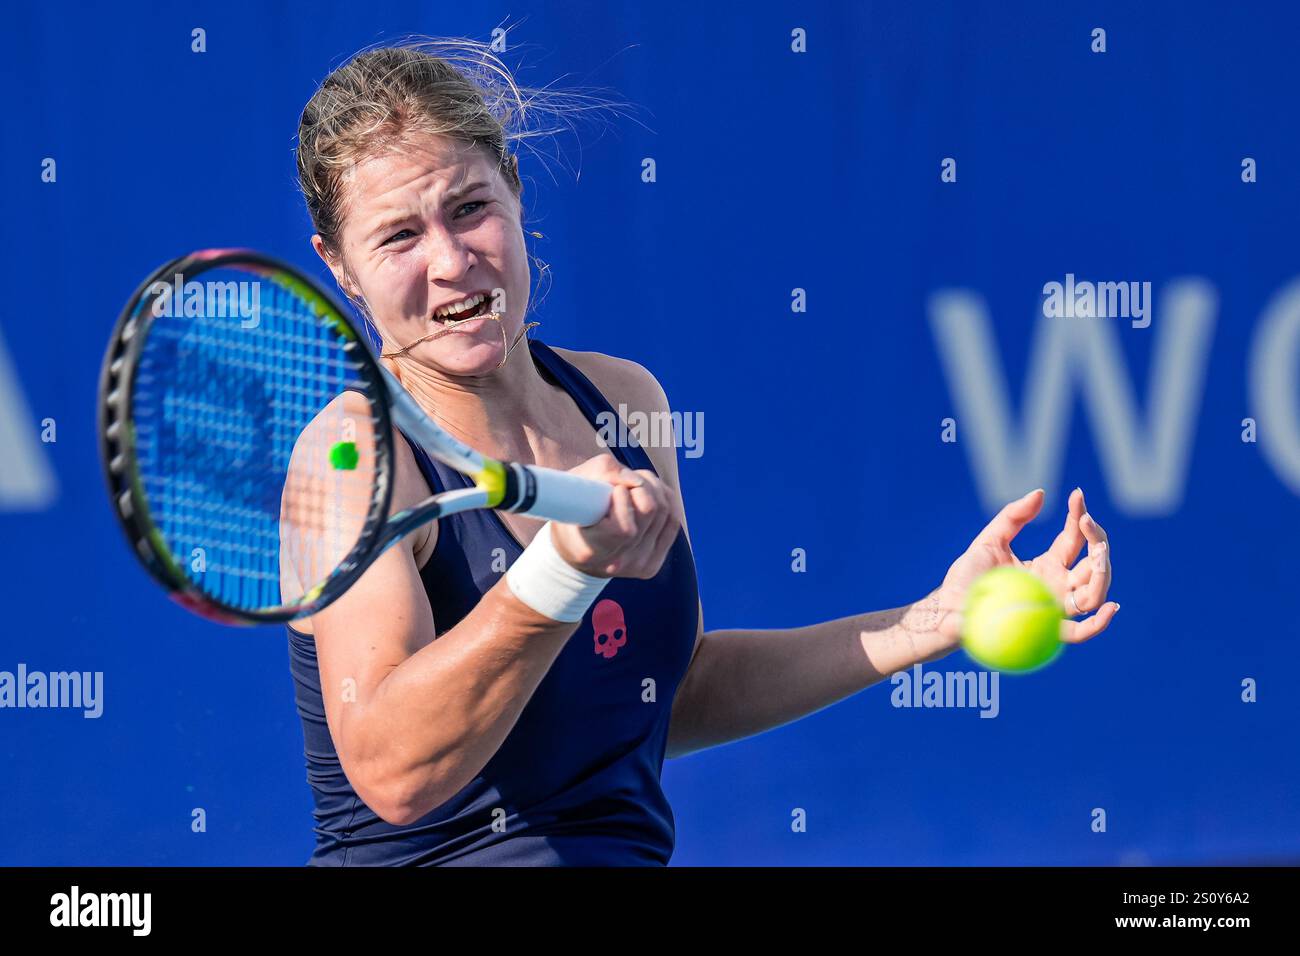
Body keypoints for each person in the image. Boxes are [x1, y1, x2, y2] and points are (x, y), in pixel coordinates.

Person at [285, 40, 1119, 866]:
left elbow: (671, 692)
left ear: (514, 187)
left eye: (470, 207)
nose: (452, 260)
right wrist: (559, 575)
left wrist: (934, 622)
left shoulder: (624, 401)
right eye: (398, 236)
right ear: (341, 266)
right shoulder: (352, 461)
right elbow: (394, 772)